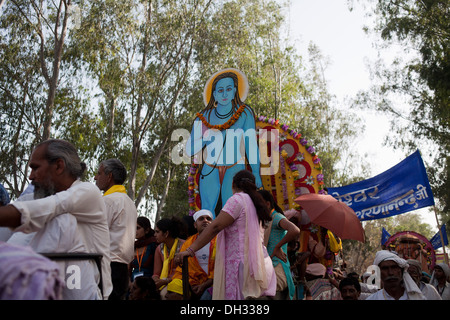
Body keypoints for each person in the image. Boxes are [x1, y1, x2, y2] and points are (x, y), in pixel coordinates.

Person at [0, 139, 112, 299]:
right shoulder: (32, 199)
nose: (31, 176)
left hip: (85, 289)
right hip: (58, 283)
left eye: (35, 168)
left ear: (59, 166)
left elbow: (46, 208)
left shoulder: (88, 191)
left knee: (59, 219)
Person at [175, 170, 276, 300]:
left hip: (241, 266)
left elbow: (215, 226)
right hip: (260, 263)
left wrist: (190, 250)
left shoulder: (237, 200)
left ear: (233, 184)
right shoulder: (257, 204)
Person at [186, 69, 262, 217]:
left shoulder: (244, 113)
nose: (225, 94)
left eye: (228, 89)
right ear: (214, 94)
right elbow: (189, 149)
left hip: (234, 167)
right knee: (207, 211)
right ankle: (211, 241)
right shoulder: (203, 117)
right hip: (210, 168)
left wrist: (256, 173)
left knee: (232, 210)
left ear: (235, 91)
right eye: (220, 90)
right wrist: (206, 139)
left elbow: (250, 144)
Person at [94, 158, 137, 300]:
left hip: (106, 267)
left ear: (109, 176)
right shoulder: (129, 202)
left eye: (99, 173)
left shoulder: (108, 201)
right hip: (123, 270)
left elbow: (94, 235)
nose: (95, 177)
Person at [258, 189, 300, 300]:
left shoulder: (277, 217)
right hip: (268, 267)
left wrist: (277, 247)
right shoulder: (266, 221)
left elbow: (295, 230)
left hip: (278, 267)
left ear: (267, 204)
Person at [166, 209, 216, 300]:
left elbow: (221, 268)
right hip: (192, 283)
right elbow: (180, 270)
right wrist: (189, 285)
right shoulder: (188, 243)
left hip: (213, 283)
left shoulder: (219, 241)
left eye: (208, 219)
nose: (205, 220)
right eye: (201, 219)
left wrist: (203, 285)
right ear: (195, 225)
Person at [152, 216, 186, 299]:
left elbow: (184, 273)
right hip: (163, 281)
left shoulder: (183, 246)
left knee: (163, 295)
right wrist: (156, 280)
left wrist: (165, 281)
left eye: (157, 232)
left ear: (166, 233)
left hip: (180, 282)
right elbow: (156, 273)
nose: (154, 235)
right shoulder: (159, 249)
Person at [129, 216, 158, 281]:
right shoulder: (133, 246)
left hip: (148, 282)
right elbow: (128, 271)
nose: (135, 231)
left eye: (138, 228)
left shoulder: (153, 244)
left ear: (147, 230)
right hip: (133, 283)